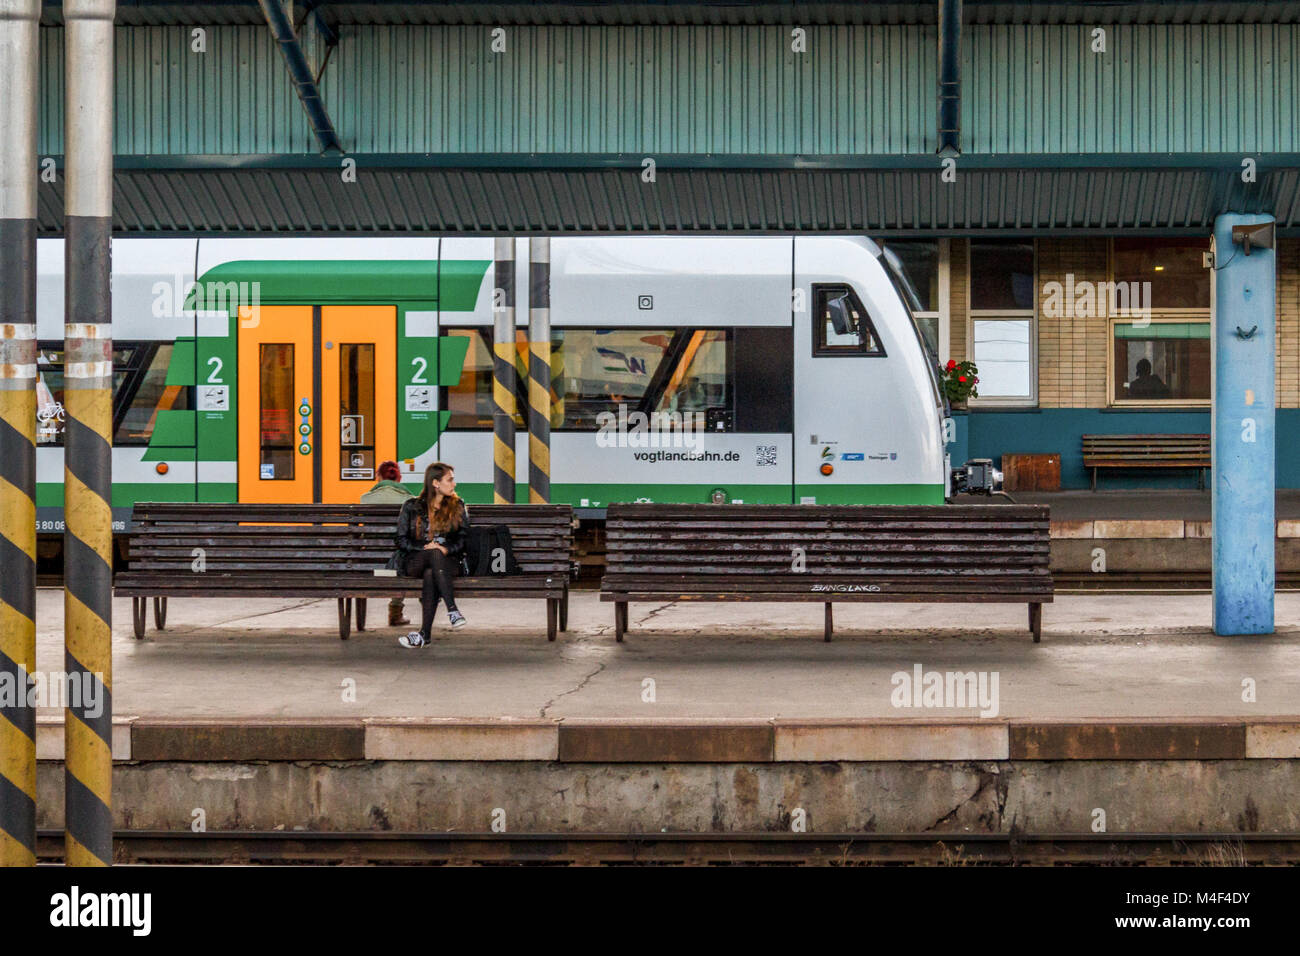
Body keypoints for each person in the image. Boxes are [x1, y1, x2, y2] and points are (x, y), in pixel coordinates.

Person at [393, 461, 469, 649]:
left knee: (431, 574)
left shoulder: (457, 506)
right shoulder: (411, 506)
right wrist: (426, 547)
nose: (454, 484)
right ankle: (452, 610)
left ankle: (424, 635)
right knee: (432, 556)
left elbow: (464, 540)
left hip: (448, 561)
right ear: (435, 483)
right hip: (415, 560)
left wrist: (446, 549)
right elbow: (401, 540)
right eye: (449, 480)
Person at [361, 461, 414, 627]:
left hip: (370, 558)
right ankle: (395, 611)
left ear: (378, 477)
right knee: (404, 557)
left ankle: (395, 613)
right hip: (400, 558)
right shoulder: (409, 500)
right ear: (399, 478)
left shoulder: (365, 499)